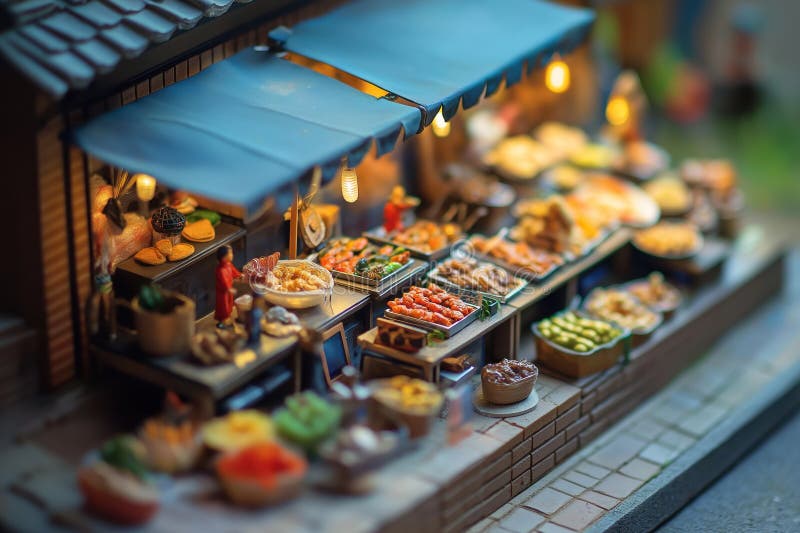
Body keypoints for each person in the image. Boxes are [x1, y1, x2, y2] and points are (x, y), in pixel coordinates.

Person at [215, 245, 241, 327]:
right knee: (223, 306)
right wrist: (228, 289)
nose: (232, 255)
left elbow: (234, 272)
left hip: (229, 290)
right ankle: (223, 321)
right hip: (223, 292)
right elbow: (223, 282)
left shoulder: (228, 265)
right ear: (224, 257)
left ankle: (227, 318)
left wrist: (240, 275)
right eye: (230, 253)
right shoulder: (220, 270)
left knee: (230, 305)